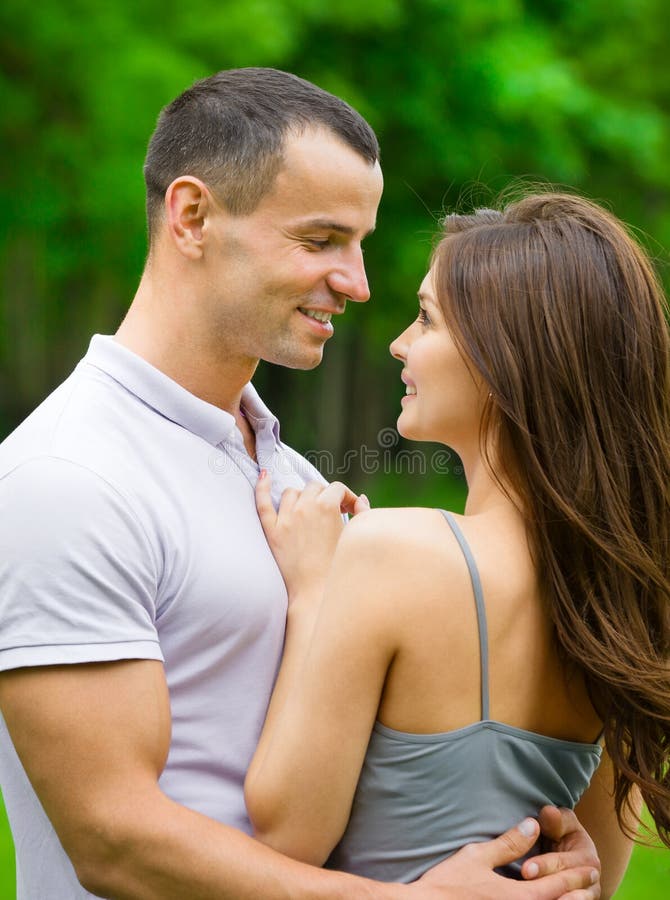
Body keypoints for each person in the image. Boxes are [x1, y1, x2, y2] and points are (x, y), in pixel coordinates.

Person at [0, 70, 601, 899]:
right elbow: (113, 839)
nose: (356, 282)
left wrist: (543, 851)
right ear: (192, 216)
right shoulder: (67, 479)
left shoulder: (297, 482)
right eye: (320, 241)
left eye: (358, 244)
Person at [246, 192, 670, 898]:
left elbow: (286, 830)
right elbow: (589, 870)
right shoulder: (614, 602)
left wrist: (313, 591)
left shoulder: (396, 551)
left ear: (504, 358)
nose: (400, 344)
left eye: (426, 319)